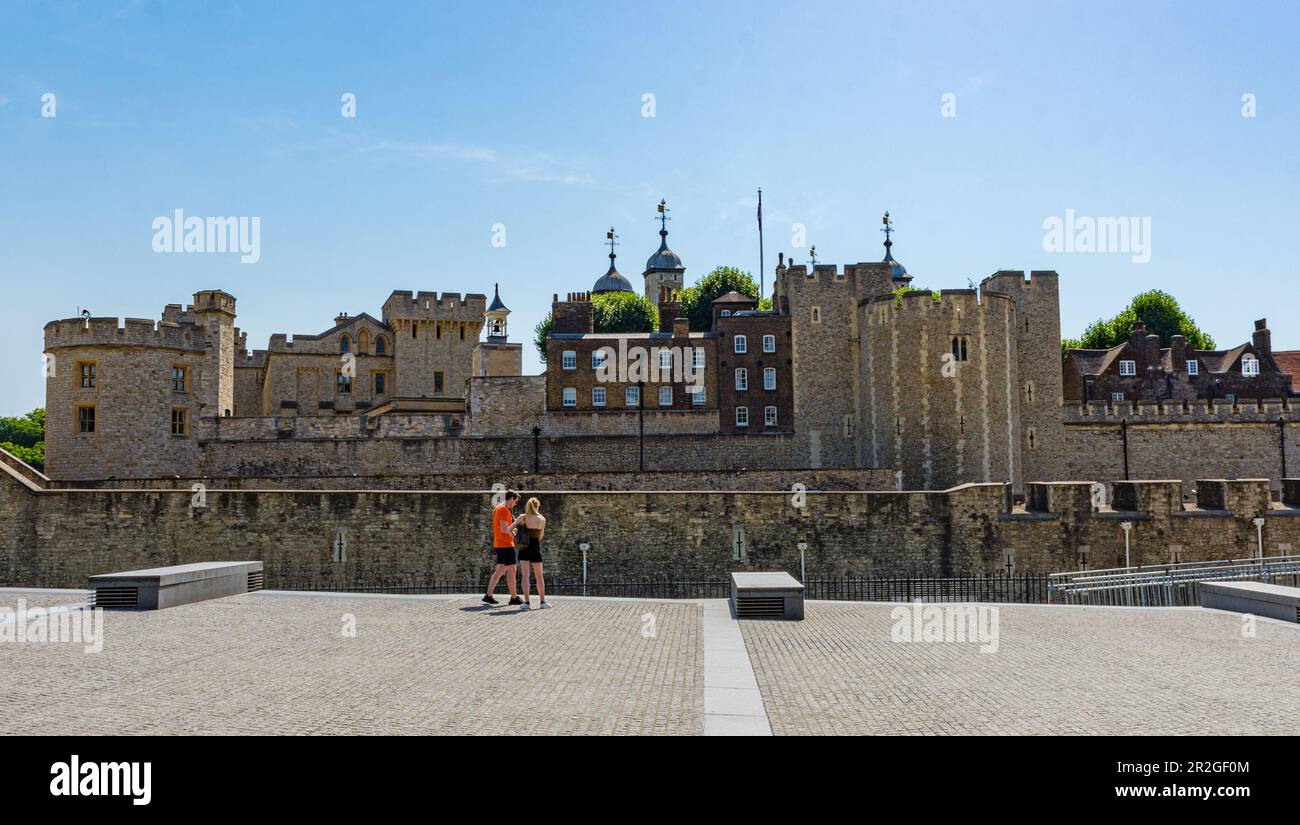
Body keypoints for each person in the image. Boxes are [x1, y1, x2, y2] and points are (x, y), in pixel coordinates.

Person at [484, 490, 522, 606]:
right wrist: (515, 530)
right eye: (515, 501)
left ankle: (488, 595)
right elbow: (504, 529)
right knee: (512, 570)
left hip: (500, 544)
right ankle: (514, 597)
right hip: (505, 545)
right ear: (511, 499)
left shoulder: (498, 509)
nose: (515, 504)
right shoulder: (504, 510)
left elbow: (504, 528)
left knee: (500, 570)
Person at [512, 497, 550, 610]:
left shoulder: (523, 517)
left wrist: (516, 536)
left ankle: (527, 603)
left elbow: (509, 529)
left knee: (525, 576)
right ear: (538, 506)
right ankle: (542, 602)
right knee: (539, 576)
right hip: (535, 547)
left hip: (524, 548)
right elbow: (541, 536)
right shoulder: (542, 519)